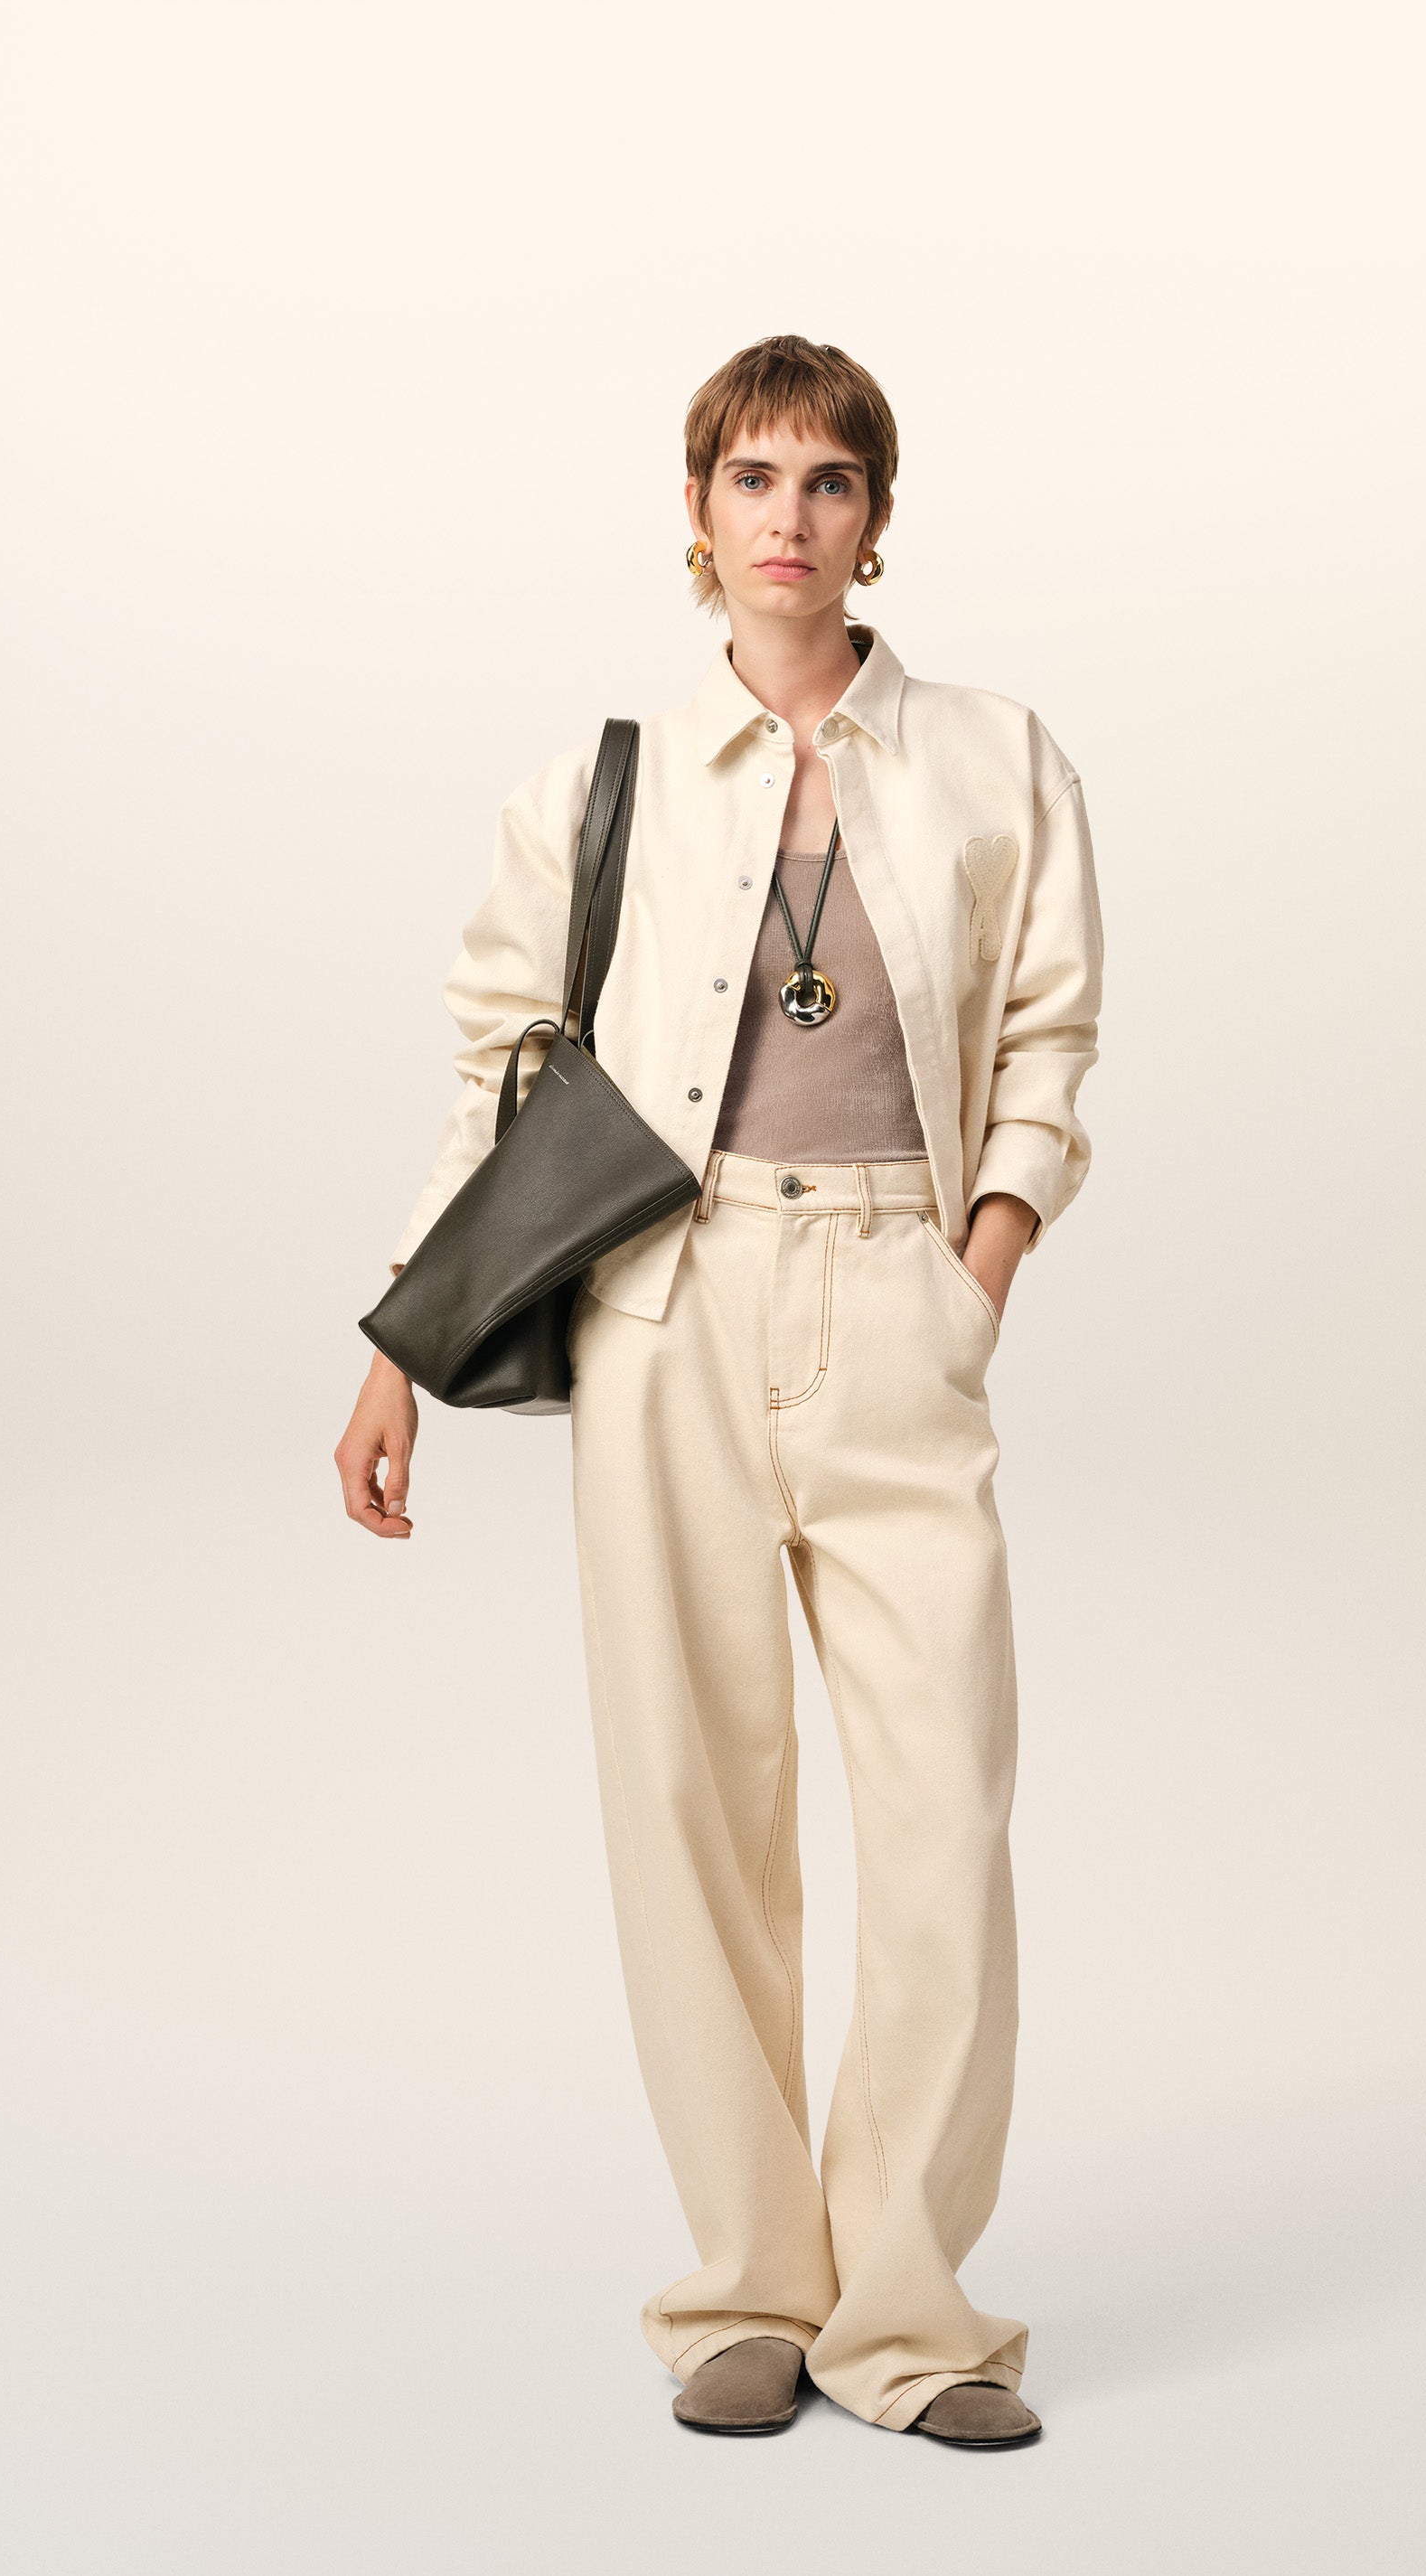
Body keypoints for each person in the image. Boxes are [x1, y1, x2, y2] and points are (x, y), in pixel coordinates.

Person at [334, 336, 1102, 2448]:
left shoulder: (999, 756)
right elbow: (505, 1069)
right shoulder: (606, 782)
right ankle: (751, 2289)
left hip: (897, 1294)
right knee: (693, 1805)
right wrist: (399, 1344)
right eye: (753, 477)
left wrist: (978, 1273)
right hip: (666, 1310)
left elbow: (1049, 1039)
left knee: (941, 1808)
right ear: (699, 513)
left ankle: (911, 2314)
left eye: (829, 479)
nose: (790, 514)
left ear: (877, 518)